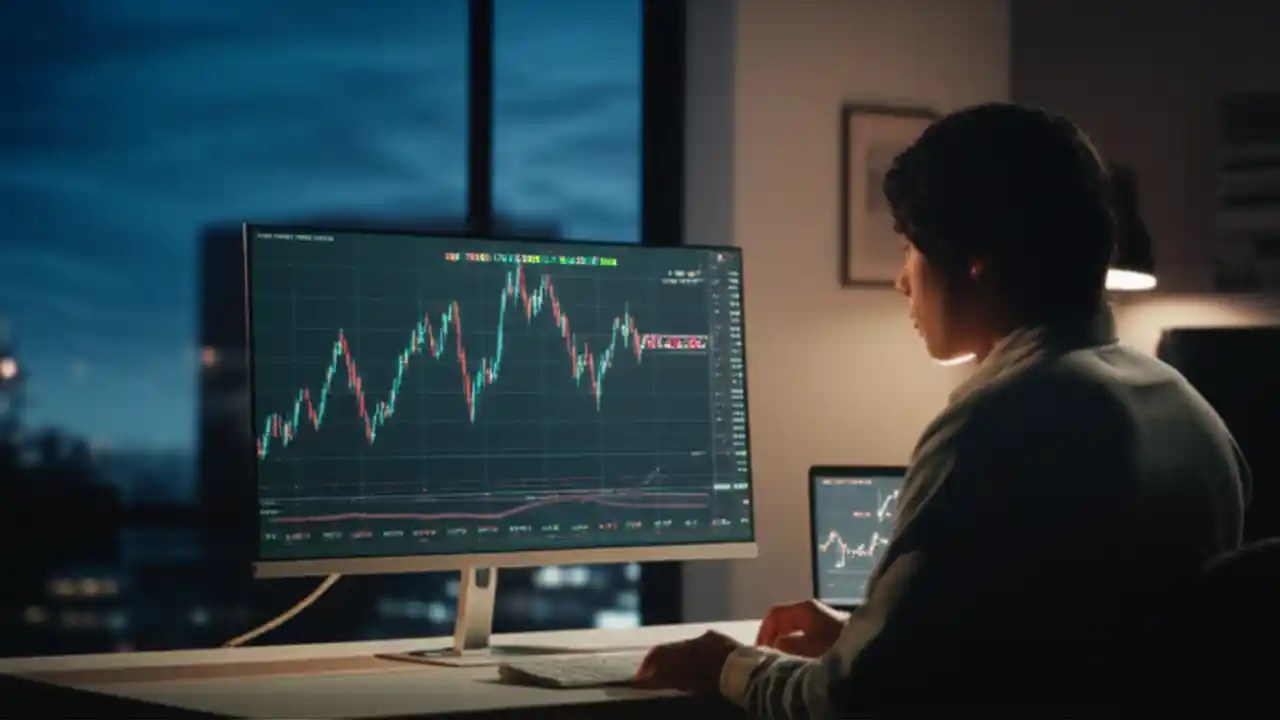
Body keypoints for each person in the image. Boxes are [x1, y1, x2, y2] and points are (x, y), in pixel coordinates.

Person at [632, 103, 1252, 715]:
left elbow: (847, 703)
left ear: (975, 257)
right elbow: (1063, 648)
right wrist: (863, 639)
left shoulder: (992, 427)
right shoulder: (1194, 416)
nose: (903, 280)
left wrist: (728, 665)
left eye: (908, 249)